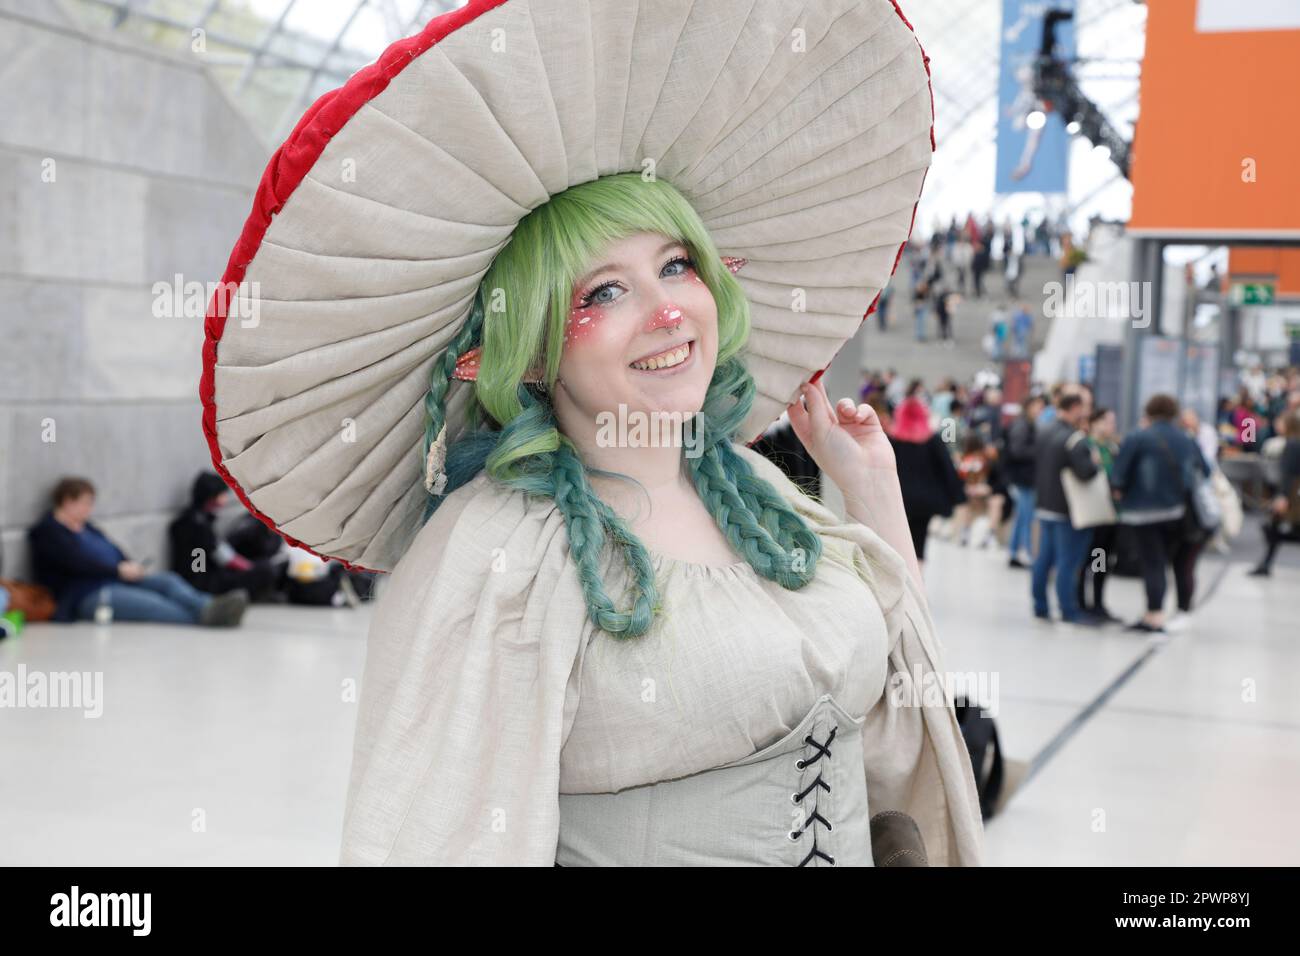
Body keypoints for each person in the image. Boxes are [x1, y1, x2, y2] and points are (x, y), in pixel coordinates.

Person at [202, 5, 983, 869]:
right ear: (529, 354)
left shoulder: (758, 497)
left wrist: (873, 495)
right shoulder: (497, 554)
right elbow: (439, 837)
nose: (667, 310)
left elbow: (899, 727)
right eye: (602, 293)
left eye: (676, 265)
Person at [27, 477, 248, 626]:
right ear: (67, 501)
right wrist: (118, 569)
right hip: (87, 594)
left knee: (167, 582)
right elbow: (76, 562)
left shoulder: (88, 528)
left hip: (117, 578)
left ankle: (209, 605)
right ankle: (207, 616)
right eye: (85, 503)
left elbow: (114, 551)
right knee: (152, 605)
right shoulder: (48, 532)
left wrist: (129, 566)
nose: (89, 509)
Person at [1111, 394, 1213, 633]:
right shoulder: (1186, 439)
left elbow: (1118, 476)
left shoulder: (1138, 437)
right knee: (1176, 563)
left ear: (1148, 411)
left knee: (1152, 563)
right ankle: (1179, 611)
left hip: (1143, 512)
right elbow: (1205, 471)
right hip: (1178, 512)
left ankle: (1154, 614)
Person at [1031, 392, 1102, 626]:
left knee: (1044, 559)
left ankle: (1040, 606)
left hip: (1044, 503)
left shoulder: (1043, 431)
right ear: (1074, 408)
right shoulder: (1075, 439)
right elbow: (1085, 472)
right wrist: (1095, 463)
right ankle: (1068, 609)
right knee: (1067, 562)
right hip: (1068, 508)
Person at [169, 471, 284, 600]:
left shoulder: (191, 519)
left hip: (197, 577)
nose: (225, 498)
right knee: (265, 570)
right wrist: (251, 568)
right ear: (212, 496)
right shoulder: (198, 525)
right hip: (202, 583)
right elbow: (218, 557)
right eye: (222, 494)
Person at [887, 393, 965, 564]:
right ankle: (918, 580)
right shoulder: (933, 441)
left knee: (897, 539)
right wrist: (957, 496)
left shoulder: (892, 440)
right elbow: (947, 469)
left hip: (898, 498)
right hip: (925, 501)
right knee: (920, 540)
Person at [1077, 408, 1121, 622]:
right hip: (1092, 513)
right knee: (1086, 559)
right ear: (1094, 423)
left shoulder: (1112, 448)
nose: (1111, 426)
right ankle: (1081, 602)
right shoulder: (1086, 446)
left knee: (1102, 560)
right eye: (1107, 421)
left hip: (1110, 514)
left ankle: (1098, 602)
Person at [1249, 408, 1300, 576]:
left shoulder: (1292, 444)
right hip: (1291, 494)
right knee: (1274, 527)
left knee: (1274, 528)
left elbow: (1289, 474)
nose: (1277, 424)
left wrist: (1283, 496)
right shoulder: (1292, 442)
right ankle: (1265, 564)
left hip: (1291, 495)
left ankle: (1265, 564)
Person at [1004, 394, 1044, 568]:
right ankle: (1024, 552)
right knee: (1025, 516)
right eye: (1037, 406)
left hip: (1026, 478)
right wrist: (1040, 450)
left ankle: (1015, 551)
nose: (1040, 410)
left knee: (1022, 516)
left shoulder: (1030, 425)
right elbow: (1017, 451)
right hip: (1023, 479)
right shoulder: (1022, 426)